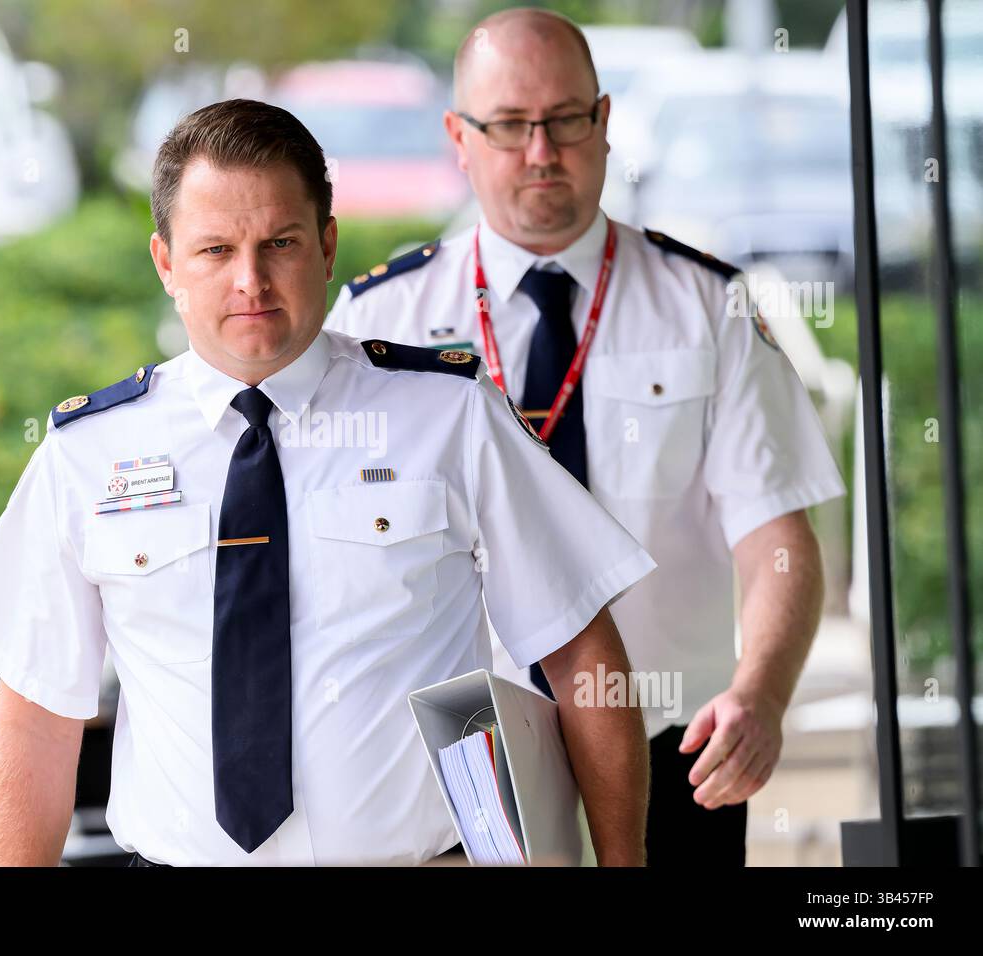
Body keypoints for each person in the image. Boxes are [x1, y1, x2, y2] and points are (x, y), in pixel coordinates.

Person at [0, 98, 656, 867]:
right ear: (166, 263)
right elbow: (38, 716)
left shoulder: (448, 414)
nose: (251, 280)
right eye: (215, 250)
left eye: (279, 242)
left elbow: (582, 653)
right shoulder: (87, 453)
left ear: (325, 245)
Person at [324, 8, 846, 866]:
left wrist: (761, 694)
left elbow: (778, 537)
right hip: (463, 756)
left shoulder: (705, 305)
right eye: (509, 126)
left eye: (566, 120)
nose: (541, 151)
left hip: (678, 747)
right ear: (459, 136)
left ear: (604, 122)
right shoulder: (382, 321)